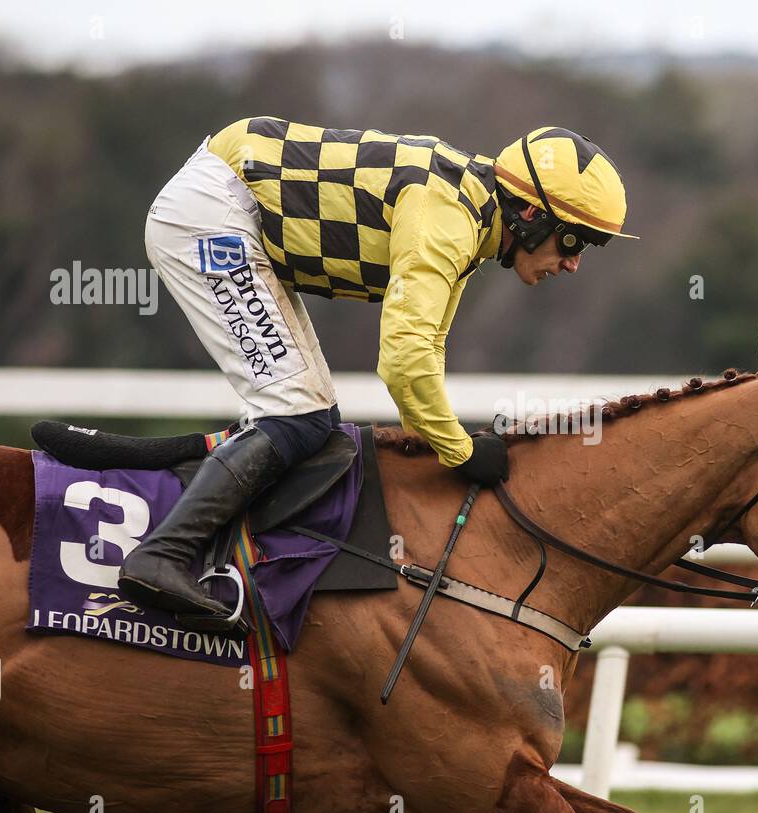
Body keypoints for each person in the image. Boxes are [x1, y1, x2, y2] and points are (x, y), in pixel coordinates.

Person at [117, 119, 637, 620]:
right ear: (531, 214)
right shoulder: (449, 217)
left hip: (233, 202)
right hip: (213, 213)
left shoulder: (471, 214)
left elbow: (429, 348)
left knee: (312, 420)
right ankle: (161, 556)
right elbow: (403, 360)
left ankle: (235, 552)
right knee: (295, 415)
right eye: (574, 241)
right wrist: (458, 450)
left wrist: (433, 444)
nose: (572, 263)